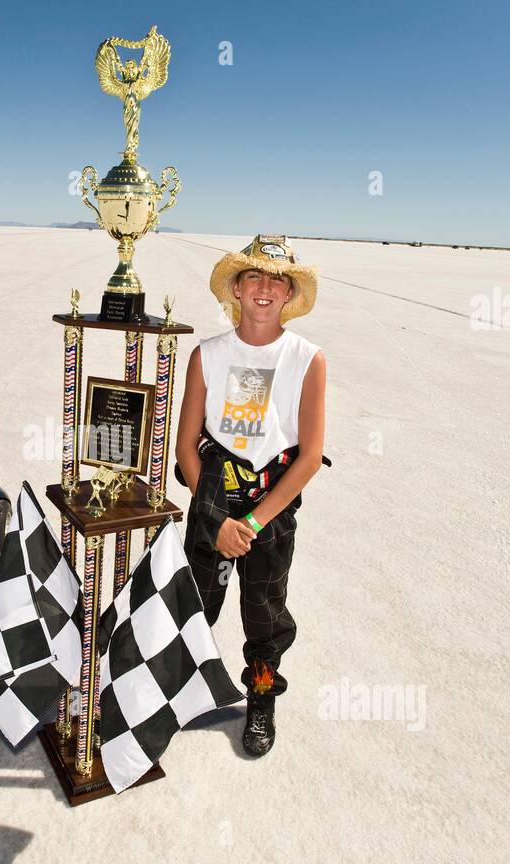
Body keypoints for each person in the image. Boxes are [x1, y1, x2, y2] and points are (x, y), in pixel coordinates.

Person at [174, 234, 327, 757]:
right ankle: (176, 688)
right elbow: (186, 444)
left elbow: (308, 458)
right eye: (254, 277)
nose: (265, 288)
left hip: (271, 507)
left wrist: (254, 524)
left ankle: (260, 698)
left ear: (289, 294)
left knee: (264, 611)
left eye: (277, 280)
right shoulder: (208, 355)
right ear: (236, 287)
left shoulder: (307, 359)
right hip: (213, 498)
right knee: (195, 602)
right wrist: (214, 519)